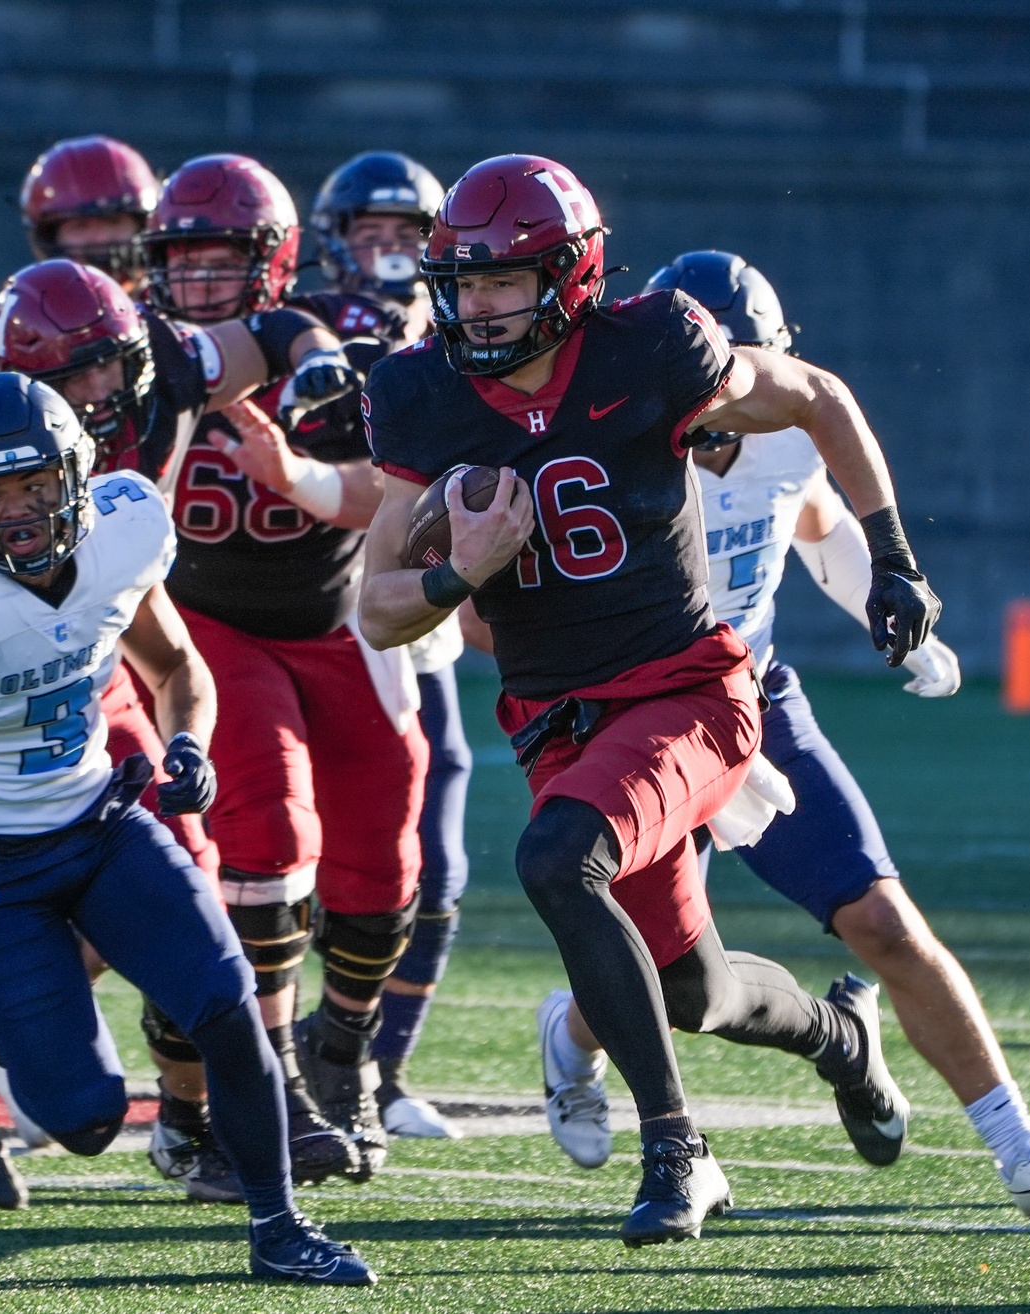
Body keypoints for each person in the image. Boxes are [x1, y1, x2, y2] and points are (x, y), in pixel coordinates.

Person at [357, 155, 938, 1246]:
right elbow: (378, 609)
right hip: (553, 717)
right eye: (459, 283)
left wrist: (892, 557)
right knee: (691, 992)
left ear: (571, 275)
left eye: (500, 282)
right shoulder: (417, 391)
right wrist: (456, 573)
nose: (474, 307)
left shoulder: (652, 345)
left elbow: (819, 397)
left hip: (688, 688)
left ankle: (677, 1149)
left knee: (553, 860)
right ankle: (835, 1038)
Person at [536, 251, 1030, 1224]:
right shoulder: (613, 440)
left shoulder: (783, 440)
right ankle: (574, 1033)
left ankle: (1021, 1148)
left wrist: (883, 603)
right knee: (672, 976)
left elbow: (808, 521)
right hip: (638, 714)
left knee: (883, 922)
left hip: (753, 702)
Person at [0, 372, 373, 1285]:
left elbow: (178, 665)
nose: (18, 511)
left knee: (228, 1008)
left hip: (104, 821)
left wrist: (190, 744)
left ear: (75, 472)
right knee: (84, 1119)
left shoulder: (126, 527)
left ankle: (279, 1227)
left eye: (32, 484)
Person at [0, 255, 360, 1197]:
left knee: (192, 881)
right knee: (80, 958)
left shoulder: (168, 361)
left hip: (133, 649)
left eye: (110, 363)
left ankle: (233, 1116)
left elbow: (272, 333)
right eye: (76, 376)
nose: (104, 389)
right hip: (23, 691)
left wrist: (313, 352)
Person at [142, 152, 427, 1183]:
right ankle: (268, 1088)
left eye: (222, 258)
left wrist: (296, 476)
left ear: (272, 261)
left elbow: (395, 495)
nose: (199, 278)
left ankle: (340, 1053)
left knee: (385, 864)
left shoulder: (349, 338)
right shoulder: (142, 351)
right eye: (181, 257)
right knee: (266, 832)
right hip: (207, 623)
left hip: (339, 618)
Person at [308, 149, 470, 1142]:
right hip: (331, 621)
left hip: (427, 622)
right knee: (322, 859)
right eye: (366, 235)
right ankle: (307, 1055)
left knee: (436, 865)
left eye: (404, 237)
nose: (384, 254)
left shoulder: (471, 332)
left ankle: (380, 1063)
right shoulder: (306, 334)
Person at [0, 135, 162, 332]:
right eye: (80, 226)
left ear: (144, 225)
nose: (101, 239)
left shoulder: (177, 311)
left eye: (114, 222)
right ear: (49, 236)